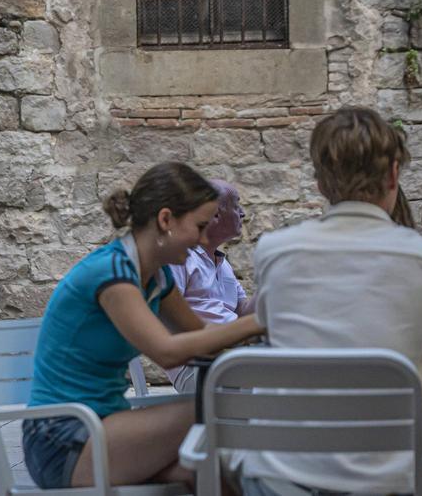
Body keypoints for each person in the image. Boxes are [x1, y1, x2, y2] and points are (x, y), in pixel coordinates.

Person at [232, 107, 422, 496]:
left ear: (319, 182)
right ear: (394, 174)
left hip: (282, 478)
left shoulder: (273, 251)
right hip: (392, 480)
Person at [25, 162, 265, 490]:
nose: (203, 239)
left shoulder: (157, 276)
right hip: (63, 439)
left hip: (107, 425)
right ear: (165, 220)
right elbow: (167, 352)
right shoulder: (112, 272)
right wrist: (257, 324)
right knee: (215, 410)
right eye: (199, 226)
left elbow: (202, 337)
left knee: (220, 476)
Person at [163, 178, 255, 392]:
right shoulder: (179, 257)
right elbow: (168, 319)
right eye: (237, 206)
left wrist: (273, 279)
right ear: (215, 214)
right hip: (197, 362)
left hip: (231, 354)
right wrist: (236, 336)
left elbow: (244, 312)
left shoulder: (222, 263)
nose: (243, 213)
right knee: (279, 379)